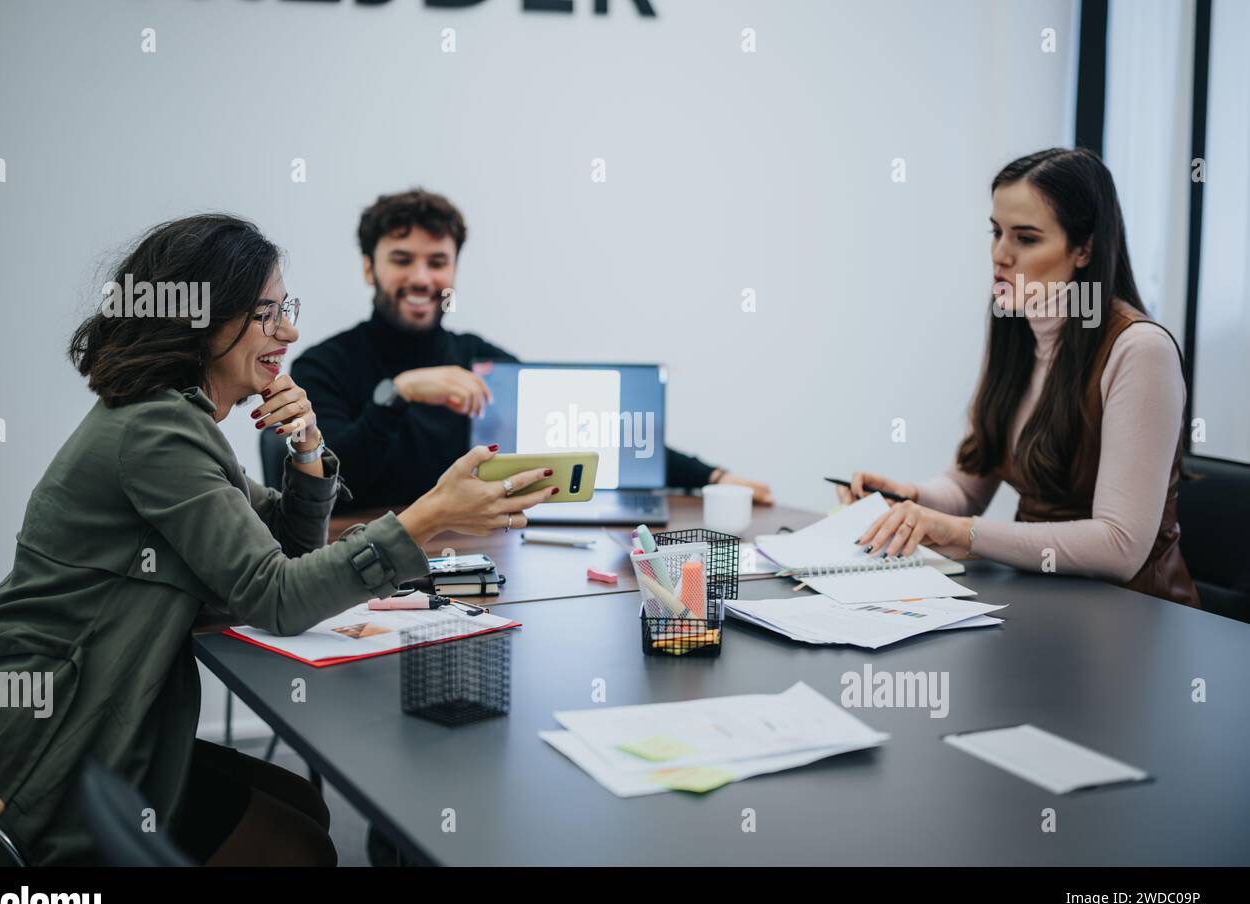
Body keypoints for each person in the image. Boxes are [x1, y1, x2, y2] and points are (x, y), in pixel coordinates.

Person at [0, 215, 555, 866]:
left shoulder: (174, 418)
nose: (289, 333)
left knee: (303, 805)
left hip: (103, 713)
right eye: (268, 314)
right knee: (299, 845)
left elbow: (286, 552)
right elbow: (279, 597)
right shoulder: (156, 431)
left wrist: (308, 450)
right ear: (203, 324)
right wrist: (431, 516)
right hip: (59, 747)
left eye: (284, 310)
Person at [839, 148, 1198, 607]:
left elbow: (1121, 546)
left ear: (1084, 248)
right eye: (996, 232)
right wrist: (912, 499)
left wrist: (962, 533)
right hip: (1039, 598)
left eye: (1025, 239)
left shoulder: (1139, 349)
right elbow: (968, 487)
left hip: (1131, 615)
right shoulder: (1015, 326)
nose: (999, 255)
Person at [291, 188, 775, 510]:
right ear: (369, 269)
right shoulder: (321, 367)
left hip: (479, 559)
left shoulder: (486, 363)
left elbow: (602, 440)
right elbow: (323, 490)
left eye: (437, 261)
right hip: (362, 566)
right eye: (402, 260)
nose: (421, 277)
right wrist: (396, 393)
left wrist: (712, 476)